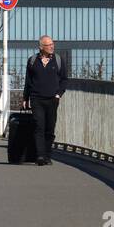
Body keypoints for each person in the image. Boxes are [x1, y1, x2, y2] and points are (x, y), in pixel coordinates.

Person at [21, 34, 66, 165]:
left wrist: (59, 94)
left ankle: (47, 155)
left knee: (50, 129)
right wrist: (25, 97)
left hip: (52, 99)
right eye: (49, 45)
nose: (52, 47)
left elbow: (64, 80)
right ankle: (40, 156)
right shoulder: (32, 60)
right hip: (36, 99)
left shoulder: (58, 60)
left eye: (52, 44)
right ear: (41, 47)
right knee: (39, 126)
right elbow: (28, 81)